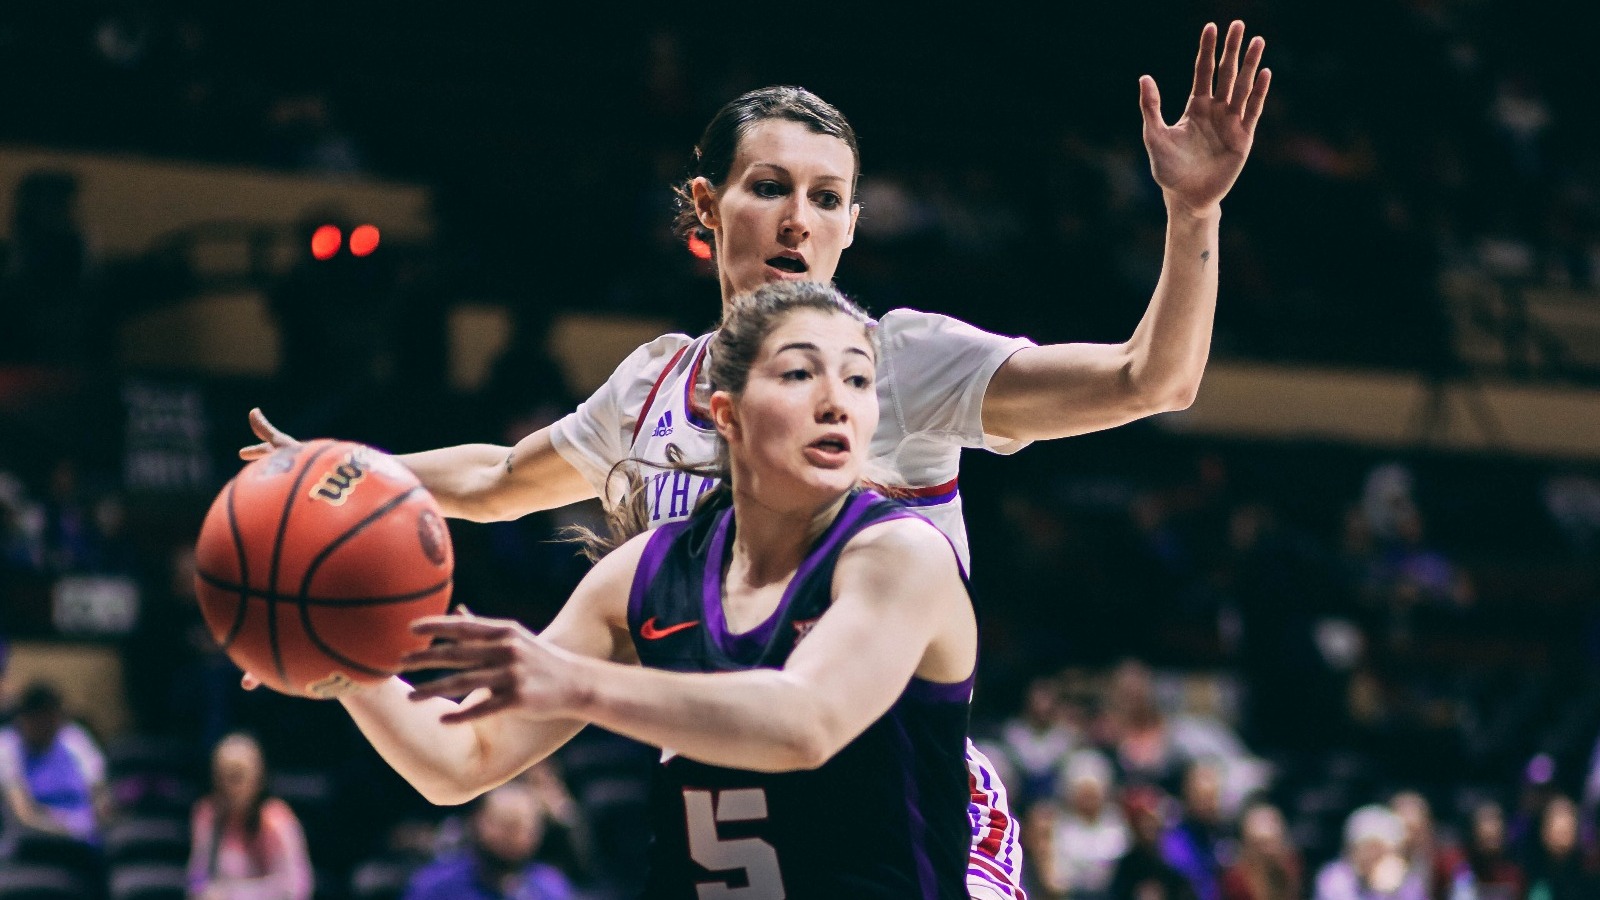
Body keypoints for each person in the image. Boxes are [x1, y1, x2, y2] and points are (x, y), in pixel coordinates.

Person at [242, 23, 1270, 897]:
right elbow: (503, 483)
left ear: (855, 226)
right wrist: (334, 498)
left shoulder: (897, 364)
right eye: (771, 187)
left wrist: (1193, 215)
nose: (798, 219)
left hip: (896, 806)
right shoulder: (653, 410)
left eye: (828, 198)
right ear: (706, 206)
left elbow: (1150, 381)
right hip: (724, 810)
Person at [257, 283, 981, 896]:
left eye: (857, 379)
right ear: (725, 413)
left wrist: (575, 684)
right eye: (800, 374)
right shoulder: (648, 573)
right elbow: (462, 761)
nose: (836, 401)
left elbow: (805, 722)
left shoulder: (900, 554)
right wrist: (333, 653)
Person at [186, 732, 313, 900]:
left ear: (258, 776)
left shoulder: (276, 819)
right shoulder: (208, 814)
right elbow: (195, 879)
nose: (229, 785)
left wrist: (234, 895)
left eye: (237, 776)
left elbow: (297, 887)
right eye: (223, 776)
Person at [403, 781, 575, 900]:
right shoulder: (434, 885)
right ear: (478, 821)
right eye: (506, 824)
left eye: (526, 827)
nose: (514, 837)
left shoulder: (550, 886)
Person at [0, 681, 110, 851]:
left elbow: (99, 795)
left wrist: (98, 820)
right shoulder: (6, 747)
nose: (47, 727)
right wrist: (68, 831)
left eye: (53, 719)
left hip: (86, 838)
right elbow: (24, 815)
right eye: (40, 721)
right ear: (23, 719)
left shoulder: (75, 739)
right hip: (32, 842)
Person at [1313, 804, 1424, 900]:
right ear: (1353, 849)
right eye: (1369, 847)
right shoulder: (1333, 878)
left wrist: (1394, 893)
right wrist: (1382, 893)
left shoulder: (1407, 880)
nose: (1373, 855)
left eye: (1381, 849)